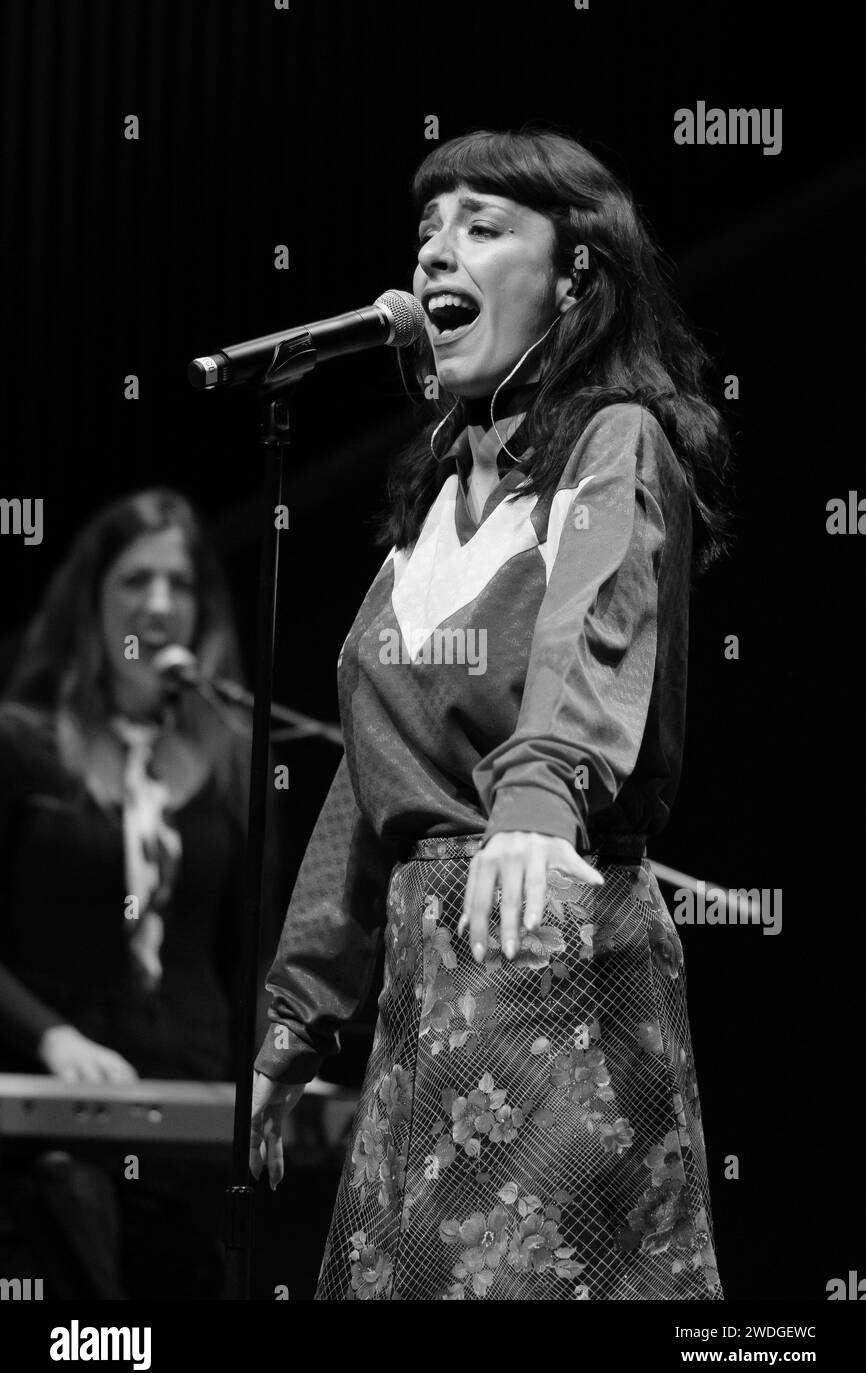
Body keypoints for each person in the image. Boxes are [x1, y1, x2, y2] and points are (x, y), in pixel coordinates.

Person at [249, 127, 733, 1301]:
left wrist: (538, 795)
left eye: (481, 224)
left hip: (550, 952)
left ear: (573, 273)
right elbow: (365, 784)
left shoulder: (607, 443)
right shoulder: (427, 510)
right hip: (425, 998)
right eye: (425, 228)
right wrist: (296, 1017)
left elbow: (596, 620)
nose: (433, 253)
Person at [0, 488, 251, 1298]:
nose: (160, 604)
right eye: (135, 581)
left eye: (180, 585)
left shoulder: (233, 758)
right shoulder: (22, 744)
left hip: (197, 1112)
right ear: (93, 601)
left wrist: (280, 1056)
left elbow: (254, 944)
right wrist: (50, 1037)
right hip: (49, 1108)